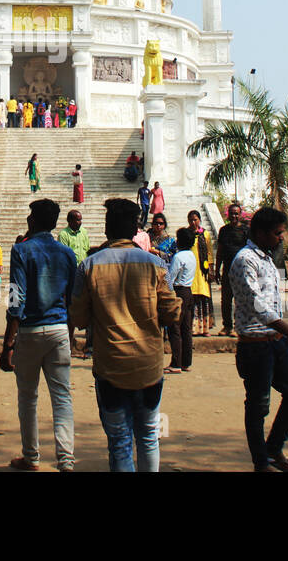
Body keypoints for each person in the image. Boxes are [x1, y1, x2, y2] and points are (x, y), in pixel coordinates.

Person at [70, 197, 181, 472]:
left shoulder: (89, 266)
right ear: (135, 229)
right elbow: (172, 313)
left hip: (111, 366)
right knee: (148, 437)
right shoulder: (155, 264)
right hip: (148, 365)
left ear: (107, 228)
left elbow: (79, 318)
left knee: (119, 441)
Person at [228, 206, 288, 472]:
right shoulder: (245, 260)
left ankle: (273, 448)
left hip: (277, 342)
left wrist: (284, 334)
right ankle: (260, 462)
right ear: (261, 233)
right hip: (255, 345)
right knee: (258, 405)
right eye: (277, 233)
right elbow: (256, 303)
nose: (281, 238)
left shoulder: (266, 259)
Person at [0, 198, 77, 472]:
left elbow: (15, 298)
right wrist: (70, 332)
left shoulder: (21, 250)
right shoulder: (67, 254)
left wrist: (8, 342)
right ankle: (66, 459)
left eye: (30, 216)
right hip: (58, 328)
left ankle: (31, 457)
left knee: (27, 396)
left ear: (33, 220)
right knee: (62, 396)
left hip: (31, 330)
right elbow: (72, 299)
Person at [166, 227, 197, 374]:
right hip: (189, 290)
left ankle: (176, 362)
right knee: (186, 328)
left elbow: (170, 277)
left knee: (175, 327)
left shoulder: (179, 257)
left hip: (179, 291)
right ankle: (186, 362)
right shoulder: (191, 255)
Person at [215, 202, 248, 330]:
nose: (234, 216)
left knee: (240, 300)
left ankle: (237, 326)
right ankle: (226, 326)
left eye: (236, 214)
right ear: (228, 215)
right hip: (227, 269)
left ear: (240, 215)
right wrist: (217, 269)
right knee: (226, 300)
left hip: (241, 270)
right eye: (232, 213)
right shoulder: (223, 230)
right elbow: (220, 251)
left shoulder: (246, 230)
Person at [186, 210, 213, 335]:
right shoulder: (186, 234)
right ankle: (193, 327)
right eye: (191, 220)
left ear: (199, 220)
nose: (193, 222)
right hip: (190, 270)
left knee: (203, 297)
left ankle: (204, 328)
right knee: (192, 296)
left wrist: (211, 269)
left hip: (202, 270)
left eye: (195, 219)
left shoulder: (205, 234)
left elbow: (209, 253)